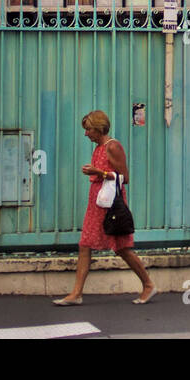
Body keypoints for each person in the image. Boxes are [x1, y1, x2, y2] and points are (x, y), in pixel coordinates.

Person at [53, 110, 156, 306]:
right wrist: (97, 173)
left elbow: (125, 177)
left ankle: (148, 284)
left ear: (99, 128)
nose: (86, 134)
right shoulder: (98, 148)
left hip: (110, 206)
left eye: (89, 129)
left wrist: (98, 172)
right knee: (85, 245)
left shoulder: (113, 146)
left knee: (122, 248)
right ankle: (76, 294)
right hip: (97, 204)